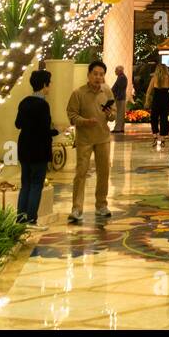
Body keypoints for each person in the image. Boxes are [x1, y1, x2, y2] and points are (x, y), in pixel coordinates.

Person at [66, 60, 115, 223]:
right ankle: (77, 208)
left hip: (103, 138)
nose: (98, 77)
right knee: (81, 173)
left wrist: (110, 114)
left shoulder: (107, 91)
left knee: (104, 172)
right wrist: (84, 121)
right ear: (88, 75)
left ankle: (101, 205)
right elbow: (72, 114)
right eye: (95, 74)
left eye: (101, 74)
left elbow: (114, 114)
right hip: (84, 139)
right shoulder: (78, 93)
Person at [15, 69, 57, 229]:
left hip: (24, 147)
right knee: (36, 184)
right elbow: (45, 130)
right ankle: (31, 219)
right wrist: (58, 131)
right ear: (44, 85)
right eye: (49, 83)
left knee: (25, 184)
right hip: (39, 149)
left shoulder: (24, 102)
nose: (50, 86)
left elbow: (18, 124)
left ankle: (20, 218)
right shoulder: (43, 105)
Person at [147, 64, 169, 147]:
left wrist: (147, 101)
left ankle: (155, 135)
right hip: (166, 99)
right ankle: (162, 138)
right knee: (164, 118)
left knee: (154, 117)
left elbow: (149, 91)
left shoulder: (154, 78)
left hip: (156, 99)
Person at [110, 65, 129, 133]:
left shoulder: (122, 78)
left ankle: (118, 129)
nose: (115, 71)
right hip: (120, 97)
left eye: (116, 70)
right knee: (120, 113)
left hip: (120, 98)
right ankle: (120, 128)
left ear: (119, 71)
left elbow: (119, 89)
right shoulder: (121, 77)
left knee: (119, 114)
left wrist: (116, 97)